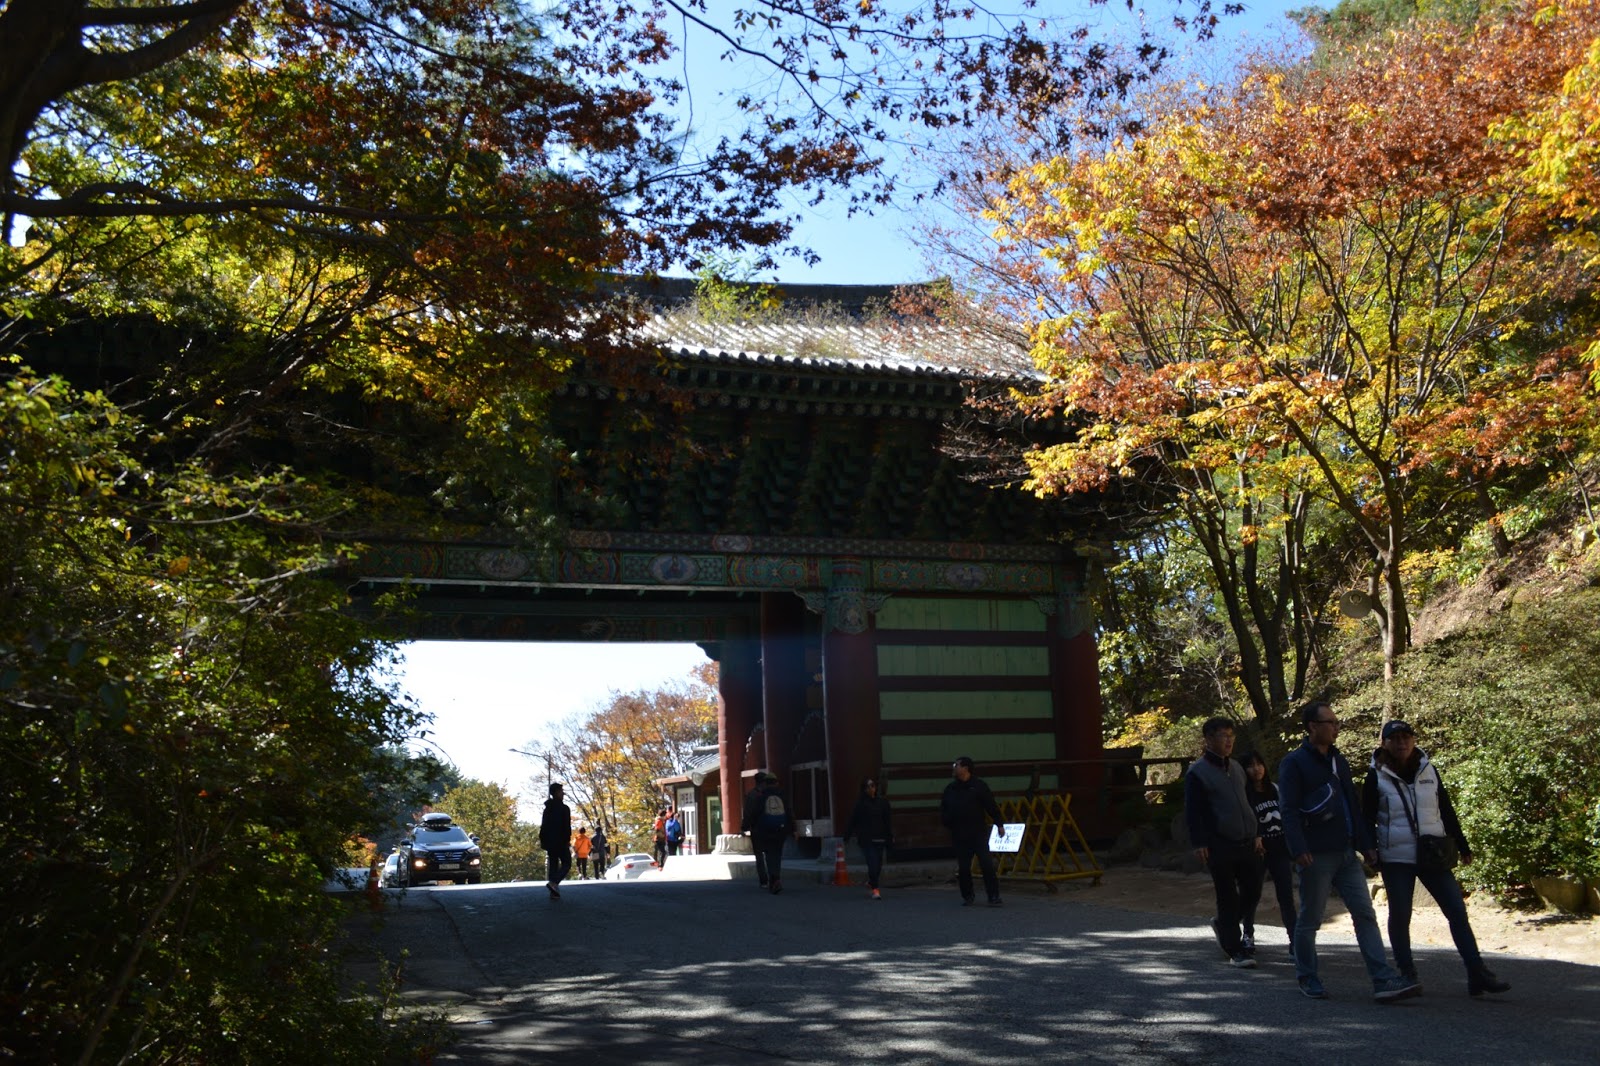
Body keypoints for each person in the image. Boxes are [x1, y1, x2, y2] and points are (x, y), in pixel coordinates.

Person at [1279, 700, 1419, 1002]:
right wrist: (1298, 848)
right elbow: (1287, 809)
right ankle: (1308, 976)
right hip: (1315, 853)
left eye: (1336, 722)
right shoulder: (1295, 762)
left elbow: (1351, 805)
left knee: (1365, 914)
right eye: (1330, 722)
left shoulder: (1337, 760)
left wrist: (1366, 844)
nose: (1336, 727)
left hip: (1345, 851)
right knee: (1310, 919)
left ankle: (1382, 979)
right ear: (1313, 727)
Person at [1362, 720, 1511, 997]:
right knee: (1401, 915)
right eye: (1394, 739)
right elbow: (1366, 817)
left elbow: (1446, 808)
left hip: (1433, 854)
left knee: (1456, 910)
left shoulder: (1428, 770)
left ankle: (1477, 972)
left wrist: (1462, 844)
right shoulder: (1376, 776)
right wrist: (1370, 850)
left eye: (1406, 737)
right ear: (1384, 743)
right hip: (1396, 857)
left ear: (1414, 740)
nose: (1401, 743)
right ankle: (1407, 974)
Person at [1184, 717, 1264, 968]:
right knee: (1227, 896)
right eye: (1222, 735)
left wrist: (1258, 831)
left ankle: (1223, 924)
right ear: (1208, 739)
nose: (1228, 740)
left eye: (1231, 735)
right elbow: (1193, 810)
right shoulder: (1197, 772)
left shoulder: (1238, 767)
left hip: (1248, 840)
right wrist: (1199, 842)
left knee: (1253, 890)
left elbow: (1248, 801)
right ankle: (1235, 948)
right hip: (1219, 842)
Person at [1239, 750, 1296, 957]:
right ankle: (1248, 935)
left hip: (1279, 849)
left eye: (1259, 763)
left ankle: (1294, 939)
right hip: (1256, 852)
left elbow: (1287, 815)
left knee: (1286, 896)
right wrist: (1255, 836)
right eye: (1251, 765)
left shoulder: (1275, 789)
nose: (1257, 769)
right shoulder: (1244, 793)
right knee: (1252, 894)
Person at [940, 755, 1004, 907]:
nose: (954, 768)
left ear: (965, 768)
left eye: (956, 765)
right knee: (963, 867)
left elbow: (990, 805)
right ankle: (968, 895)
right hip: (959, 834)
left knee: (987, 865)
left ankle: (993, 895)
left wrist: (999, 824)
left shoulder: (978, 786)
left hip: (978, 833)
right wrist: (948, 822)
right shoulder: (951, 788)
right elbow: (944, 808)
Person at [842, 776, 895, 900]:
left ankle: (872, 881)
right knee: (872, 863)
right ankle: (875, 890)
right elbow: (852, 820)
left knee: (878, 865)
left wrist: (890, 836)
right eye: (868, 786)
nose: (871, 788)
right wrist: (847, 836)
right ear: (864, 789)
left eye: (873, 786)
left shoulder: (883, 803)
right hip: (867, 839)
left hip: (880, 837)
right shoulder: (860, 804)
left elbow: (887, 821)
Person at [747, 772, 794, 894]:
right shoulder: (783, 795)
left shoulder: (761, 796)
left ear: (766, 784)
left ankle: (772, 879)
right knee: (777, 854)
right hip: (780, 830)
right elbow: (789, 812)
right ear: (776, 782)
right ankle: (776, 878)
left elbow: (754, 814)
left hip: (765, 830)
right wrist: (793, 829)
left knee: (768, 854)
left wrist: (747, 826)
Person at [539, 782, 573, 900]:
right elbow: (566, 826)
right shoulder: (564, 809)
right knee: (567, 863)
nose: (563, 793)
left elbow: (543, 826)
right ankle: (554, 883)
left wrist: (543, 840)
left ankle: (554, 893)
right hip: (561, 841)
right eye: (561, 791)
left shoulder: (547, 809)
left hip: (550, 842)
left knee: (553, 865)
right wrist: (567, 839)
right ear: (556, 793)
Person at [741, 774, 773, 888]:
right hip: (771, 828)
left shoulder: (752, 795)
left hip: (757, 829)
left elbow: (748, 813)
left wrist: (744, 827)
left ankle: (764, 881)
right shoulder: (770, 794)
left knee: (759, 855)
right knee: (770, 853)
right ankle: (774, 878)